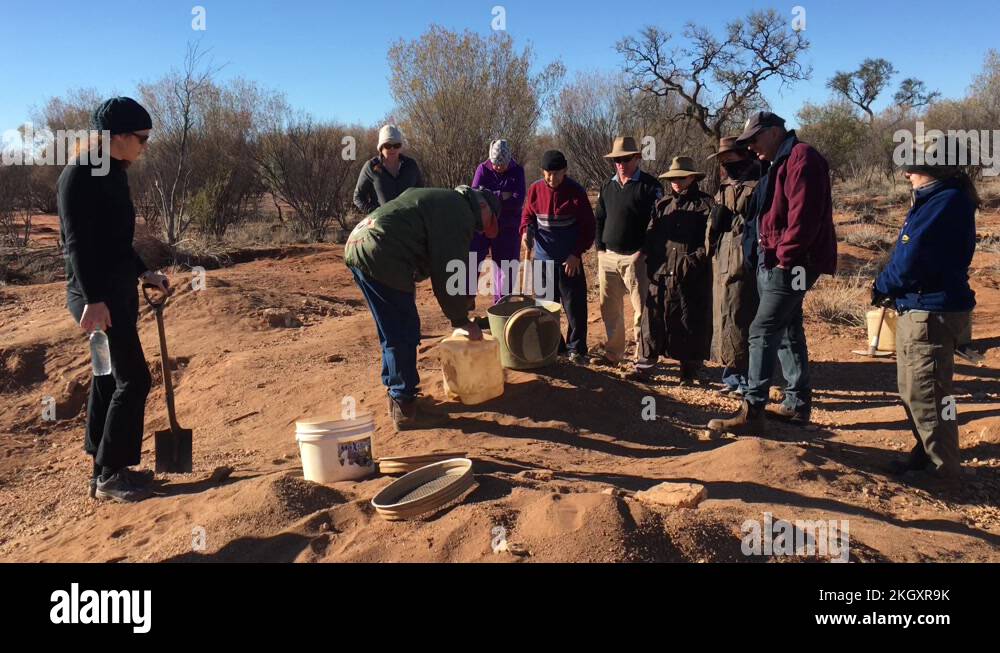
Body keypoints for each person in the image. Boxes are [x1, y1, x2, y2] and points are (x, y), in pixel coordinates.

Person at [58, 97, 171, 502]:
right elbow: (77, 246)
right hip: (96, 298)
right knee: (134, 379)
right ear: (117, 136)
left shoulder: (113, 173)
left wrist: (145, 271)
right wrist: (94, 299)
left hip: (117, 292)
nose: (145, 146)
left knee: (107, 378)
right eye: (141, 138)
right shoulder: (78, 176)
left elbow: (117, 242)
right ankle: (109, 476)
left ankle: (105, 469)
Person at [708, 112, 837, 433]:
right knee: (789, 330)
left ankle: (752, 411)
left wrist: (784, 258)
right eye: (747, 142)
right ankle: (796, 405)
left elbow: (804, 218)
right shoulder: (780, 161)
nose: (751, 148)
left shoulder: (801, 158)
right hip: (777, 259)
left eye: (754, 140)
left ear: (775, 132)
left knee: (761, 330)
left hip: (793, 264)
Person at [345, 186, 501, 430]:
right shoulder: (459, 213)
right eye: (486, 222)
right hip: (383, 251)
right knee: (404, 330)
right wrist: (461, 320)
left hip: (359, 242)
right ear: (483, 207)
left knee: (391, 330)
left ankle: (398, 395)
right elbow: (447, 270)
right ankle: (405, 409)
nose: (479, 230)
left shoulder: (442, 198)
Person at [873, 136, 978, 482]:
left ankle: (942, 468)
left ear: (932, 168)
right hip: (920, 305)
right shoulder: (936, 199)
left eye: (913, 167)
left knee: (929, 392)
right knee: (914, 389)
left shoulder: (945, 202)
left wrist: (883, 285)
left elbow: (911, 258)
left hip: (932, 309)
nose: (907, 174)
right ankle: (925, 453)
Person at [635, 157, 713, 384]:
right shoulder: (663, 205)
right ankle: (645, 366)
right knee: (653, 319)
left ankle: (690, 370)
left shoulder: (706, 205)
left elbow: (711, 242)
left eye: (681, 177)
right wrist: (648, 258)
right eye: (673, 178)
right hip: (661, 271)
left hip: (692, 275)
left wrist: (692, 262)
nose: (676, 182)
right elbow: (651, 234)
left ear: (692, 177)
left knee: (690, 319)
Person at [520, 150, 596, 364]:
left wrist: (576, 254)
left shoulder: (576, 192)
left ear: (565, 171)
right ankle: (554, 346)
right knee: (545, 307)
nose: (551, 178)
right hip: (543, 260)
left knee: (574, 307)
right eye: (547, 173)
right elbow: (527, 216)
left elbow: (588, 228)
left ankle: (577, 349)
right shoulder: (535, 190)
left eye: (556, 173)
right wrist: (526, 231)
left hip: (568, 261)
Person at [594, 136, 663, 365]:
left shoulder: (650, 186)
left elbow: (656, 224)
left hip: (637, 258)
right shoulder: (607, 186)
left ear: (636, 158)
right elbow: (600, 219)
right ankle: (614, 353)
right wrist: (600, 250)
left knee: (641, 309)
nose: (620, 164)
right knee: (610, 309)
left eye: (625, 159)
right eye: (616, 160)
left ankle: (642, 355)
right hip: (609, 257)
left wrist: (642, 252)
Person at [707, 137, 763, 396]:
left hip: (746, 257)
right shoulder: (724, 184)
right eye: (722, 160)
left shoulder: (761, 181)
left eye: (731, 158)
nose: (726, 164)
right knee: (724, 316)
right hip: (723, 258)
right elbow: (715, 221)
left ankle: (748, 379)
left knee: (742, 314)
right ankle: (732, 376)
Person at [470, 139, 527, 304]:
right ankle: (465, 302)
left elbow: (517, 201)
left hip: (508, 227)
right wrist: (502, 195)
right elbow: (475, 198)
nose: (498, 167)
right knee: (471, 263)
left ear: (509, 160)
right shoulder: (482, 169)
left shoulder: (517, 171)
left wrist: (488, 196)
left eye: (502, 164)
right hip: (482, 226)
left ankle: (502, 306)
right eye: (495, 164)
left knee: (506, 270)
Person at [352, 125, 424, 214]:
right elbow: (358, 197)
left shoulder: (411, 165)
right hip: (382, 223)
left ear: (400, 147)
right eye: (388, 145)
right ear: (381, 148)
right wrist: (374, 213)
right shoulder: (371, 167)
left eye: (396, 145)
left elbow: (420, 193)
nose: (392, 149)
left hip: (409, 222)